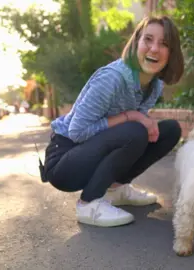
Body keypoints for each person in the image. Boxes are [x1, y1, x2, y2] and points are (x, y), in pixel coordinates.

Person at [42, 15, 184, 227]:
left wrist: (143, 122)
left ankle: (115, 188)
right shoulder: (112, 78)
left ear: (171, 54)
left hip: (93, 151)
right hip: (65, 161)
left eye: (164, 44)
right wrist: (134, 116)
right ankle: (88, 204)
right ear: (136, 42)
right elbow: (77, 132)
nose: (154, 49)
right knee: (135, 130)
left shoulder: (155, 85)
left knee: (170, 129)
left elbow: (128, 133)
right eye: (148, 39)